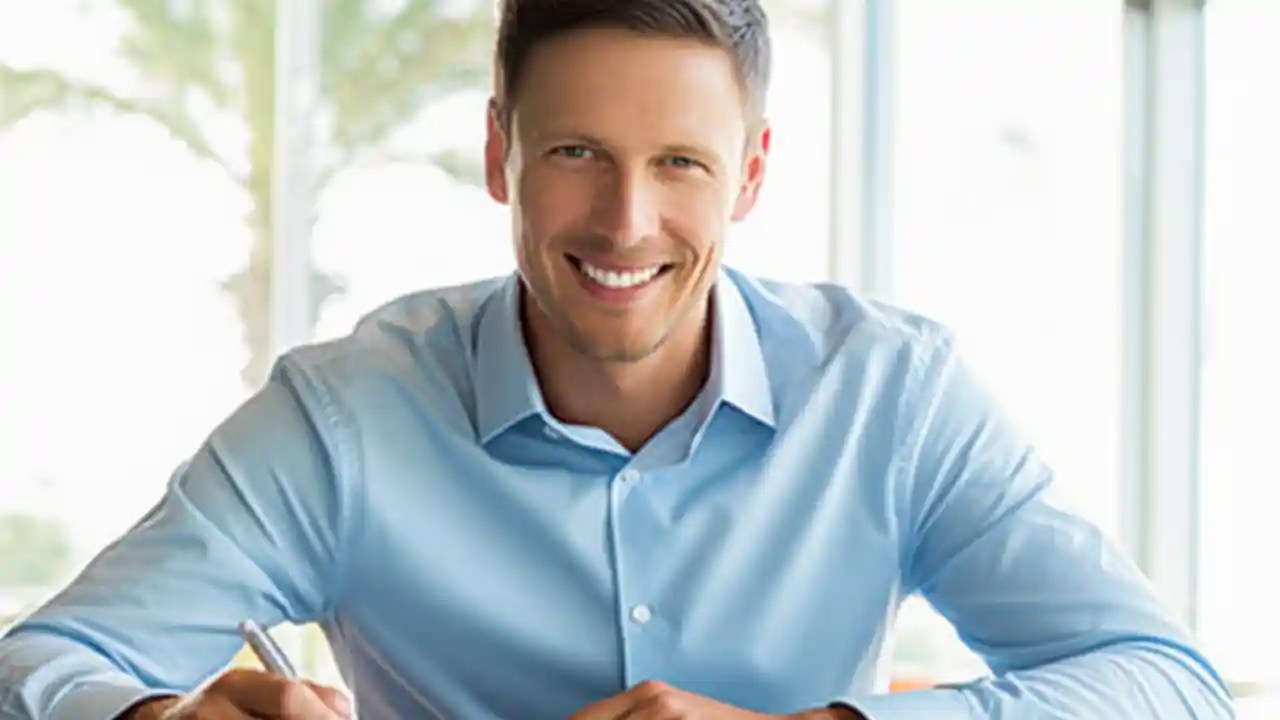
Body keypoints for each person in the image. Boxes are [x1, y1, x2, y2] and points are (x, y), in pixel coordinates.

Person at [0, 1, 1236, 718]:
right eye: (575, 154)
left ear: (748, 174)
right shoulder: (343, 419)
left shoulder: (891, 397)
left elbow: (1166, 683)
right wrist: (159, 718)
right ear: (500, 157)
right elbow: (43, 665)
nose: (625, 224)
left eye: (680, 164)